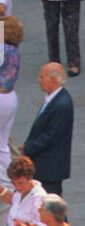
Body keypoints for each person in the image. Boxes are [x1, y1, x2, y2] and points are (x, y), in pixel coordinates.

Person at [22, 63, 74, 194]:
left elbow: (51, 136)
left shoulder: (61, 104)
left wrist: (28, 148)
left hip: (50, 168)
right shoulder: (54, 99)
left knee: (51, 206)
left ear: (53, 80)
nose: (39, 80)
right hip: (45, 165)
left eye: (42, 77)